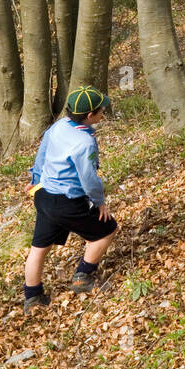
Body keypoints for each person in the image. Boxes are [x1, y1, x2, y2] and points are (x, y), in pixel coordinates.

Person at [23, 85, 116, 310]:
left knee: (39, 248)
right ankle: (82, 277)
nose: (103, 113)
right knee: (107, 230)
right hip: (67, 203)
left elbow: (42, 152)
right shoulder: (84, 143)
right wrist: (99, 202)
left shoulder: (60, 125)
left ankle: (33, 297)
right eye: (100, 111)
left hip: (44, 196)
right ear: (89, 115)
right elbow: (88, 178)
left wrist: (35, 179)